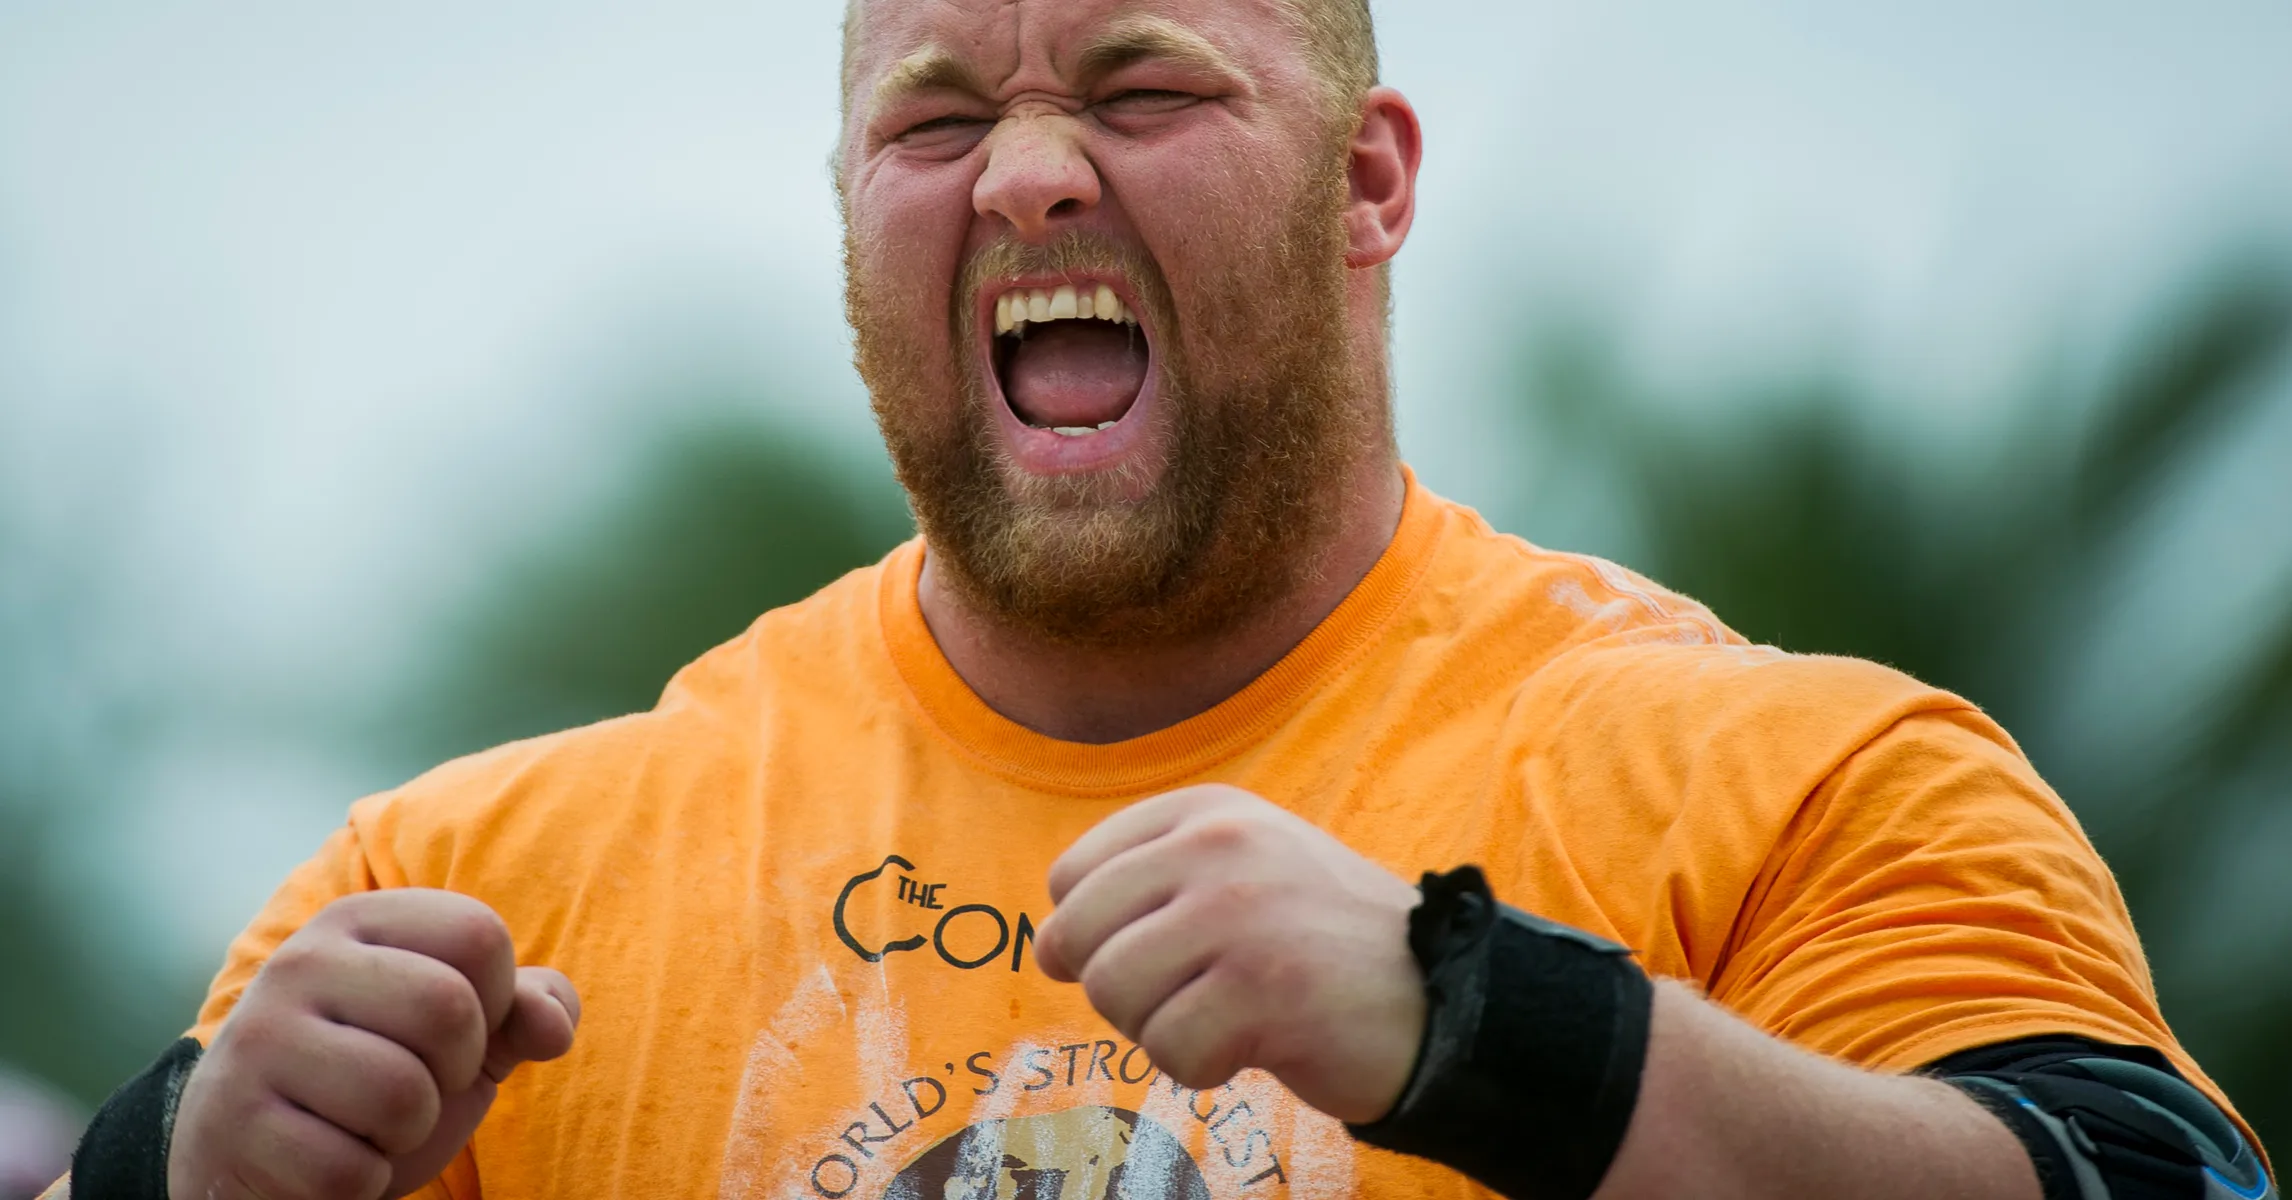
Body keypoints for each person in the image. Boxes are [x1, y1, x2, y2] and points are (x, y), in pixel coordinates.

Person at [48, 1, 2276, 1198]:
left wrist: (1493, 1037)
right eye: (931, 123)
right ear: (851, 216)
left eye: (1141, 83)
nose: (1026, 169)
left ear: (1369, 181)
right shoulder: (480, 890)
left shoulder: (1796, 782)